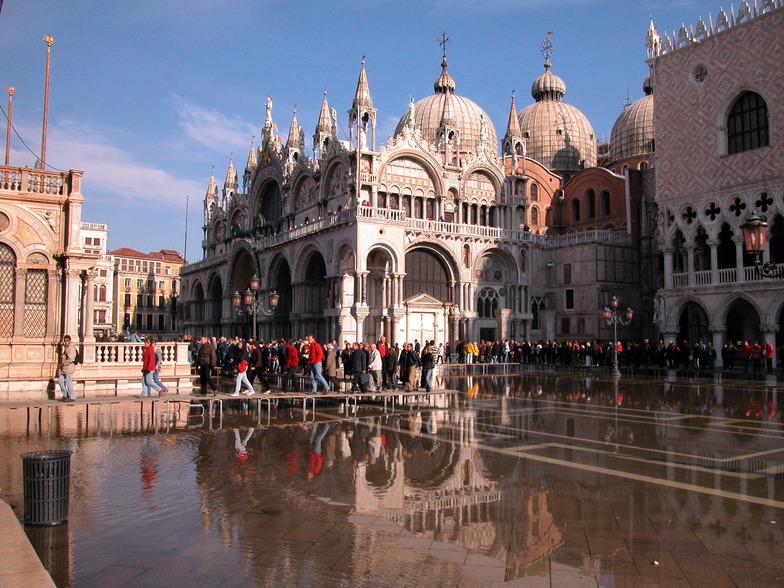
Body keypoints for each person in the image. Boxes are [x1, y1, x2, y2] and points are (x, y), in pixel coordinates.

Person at [57, 334, 78, 402]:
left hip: (69, 367)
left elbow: (71, 358)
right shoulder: (66, 347)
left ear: (70, 340)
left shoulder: (71, 347)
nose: (66, 342)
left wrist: (64, 363)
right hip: (64, 368)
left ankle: (72, 397)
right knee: (60, 381)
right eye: (65, 340)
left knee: (69, 382)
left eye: (67, 340)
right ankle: (65, 395)